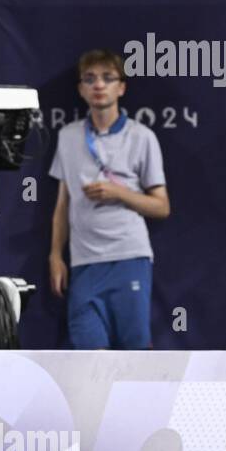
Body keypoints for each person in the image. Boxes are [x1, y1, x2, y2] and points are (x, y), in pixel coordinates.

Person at [49, 50, 170, 349]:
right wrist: (55, 255)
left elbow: (162, 206)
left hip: (128, 257)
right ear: (81, 89)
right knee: (87, 355)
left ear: (121, 87)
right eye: (90, 79)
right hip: (84, 262)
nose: (98, 85)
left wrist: (119, 193)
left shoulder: (142, 137)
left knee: (135, 355)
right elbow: (62, 204)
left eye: (107, 78)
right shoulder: (68, 136)